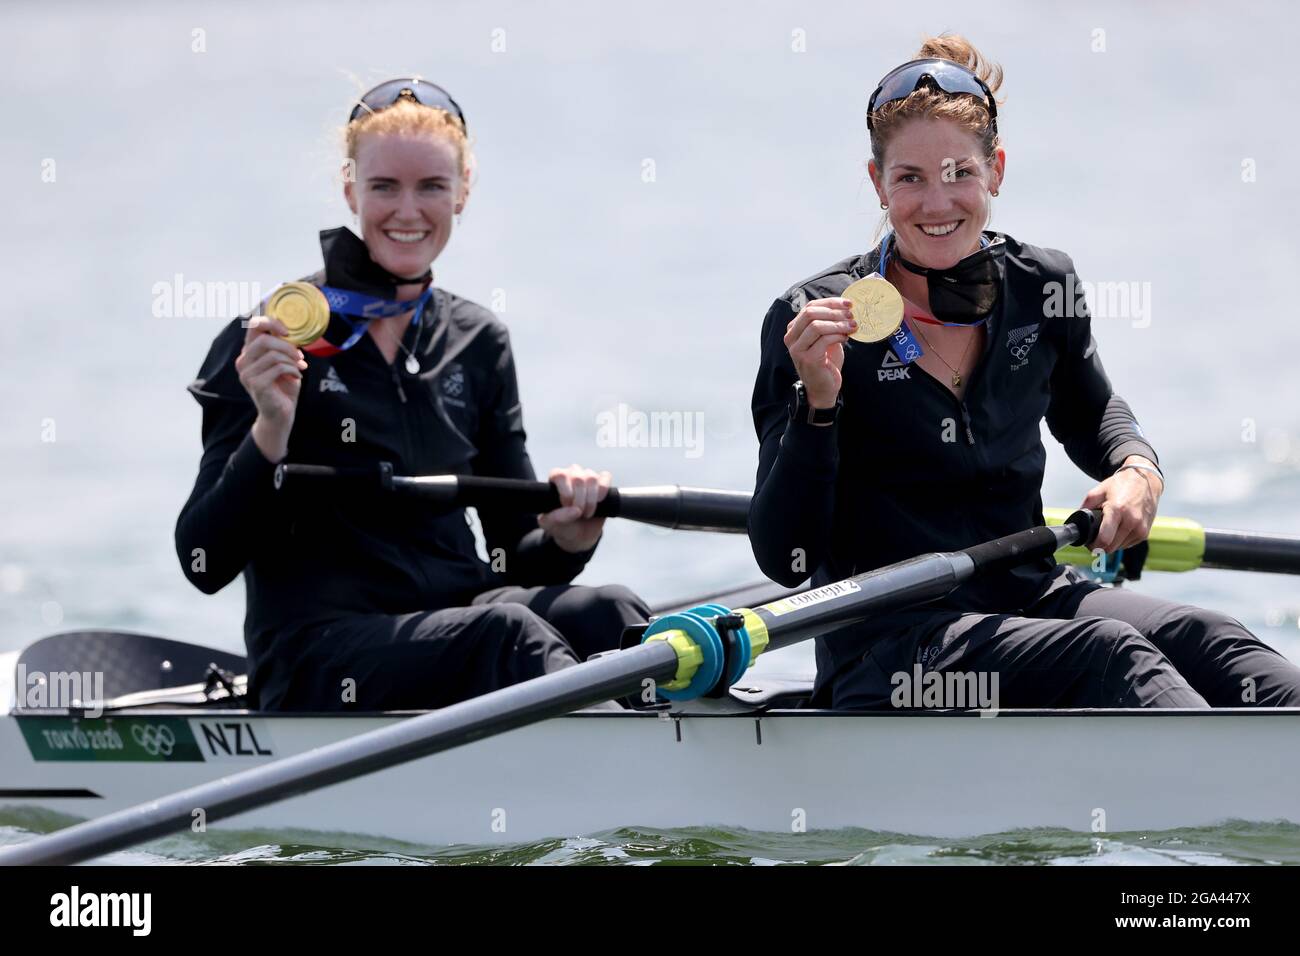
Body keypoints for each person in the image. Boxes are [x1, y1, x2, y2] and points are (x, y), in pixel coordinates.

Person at [749, 36, 1300, 710]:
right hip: (890, 643)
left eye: (959, 173)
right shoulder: (811, 319)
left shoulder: (1042, 285)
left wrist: (1137, 471)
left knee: (1216, 639)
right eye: (910, 179)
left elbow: (1091, 411)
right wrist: (821, 404)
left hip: (1032, 595)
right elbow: (786, 557)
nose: (937, 202)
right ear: (877, 184)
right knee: (1112, 656)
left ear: (996, 171)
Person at [176, 78, 648, 711]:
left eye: (431, 186)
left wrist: (570, 536)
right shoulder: (272, 336)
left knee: (610, 611)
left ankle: (679, 755)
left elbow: (513, 556)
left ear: (463, 191)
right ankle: (637, 775)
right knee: (508, 636)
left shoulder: (477, 339)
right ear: (349, 189)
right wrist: (270, 428)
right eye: (383, 187)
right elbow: (204, 563)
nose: (407, 210)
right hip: (317, 653)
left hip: (460, 622)